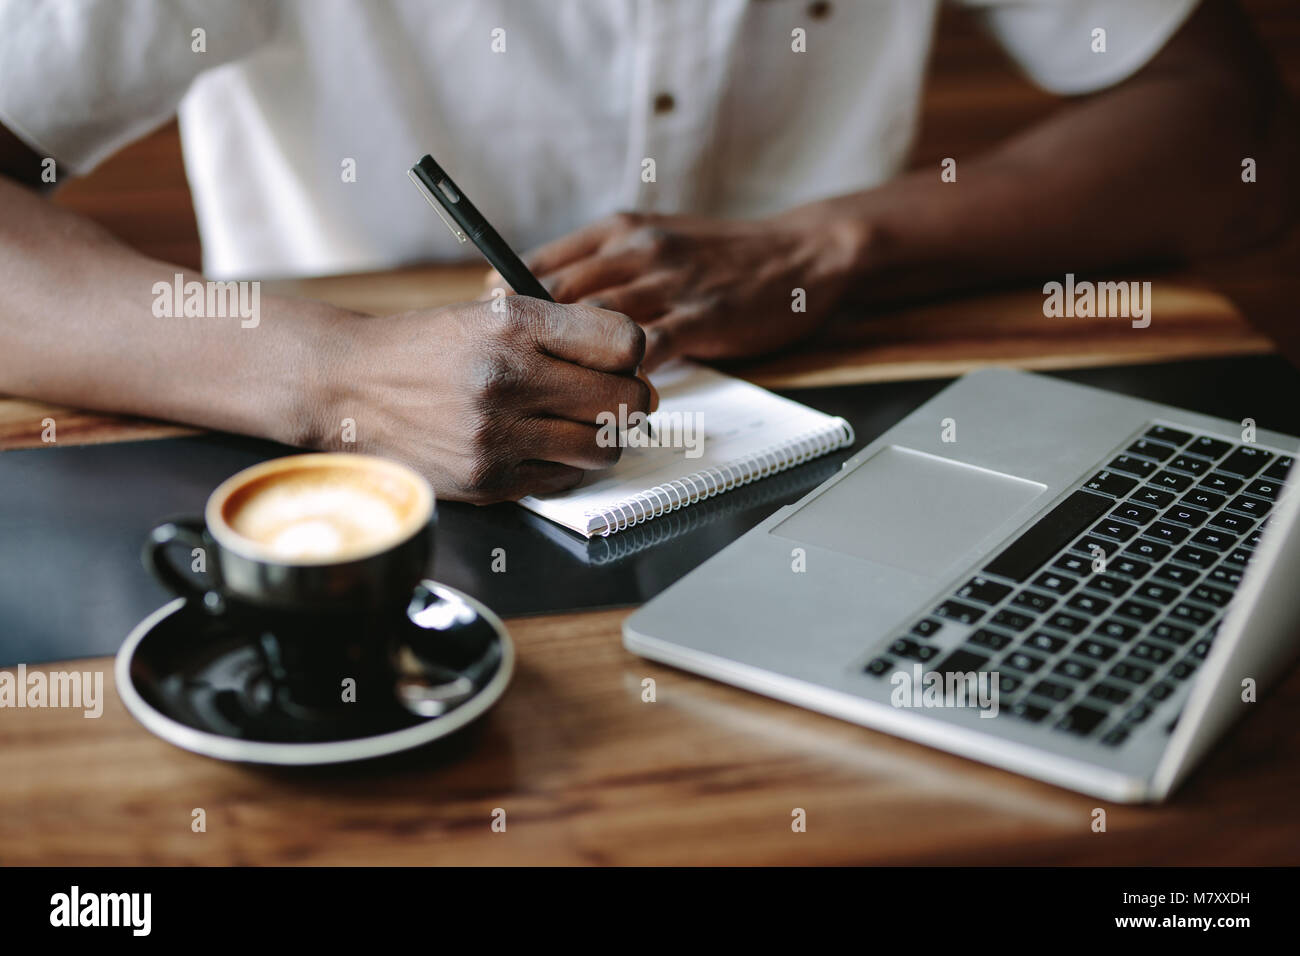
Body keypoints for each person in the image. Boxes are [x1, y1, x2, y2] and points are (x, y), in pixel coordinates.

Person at [0, 0, 1295, 503]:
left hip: (840, 420)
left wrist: (833, 243)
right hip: (339, 483)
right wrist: (341, 373)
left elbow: (1223, 121)